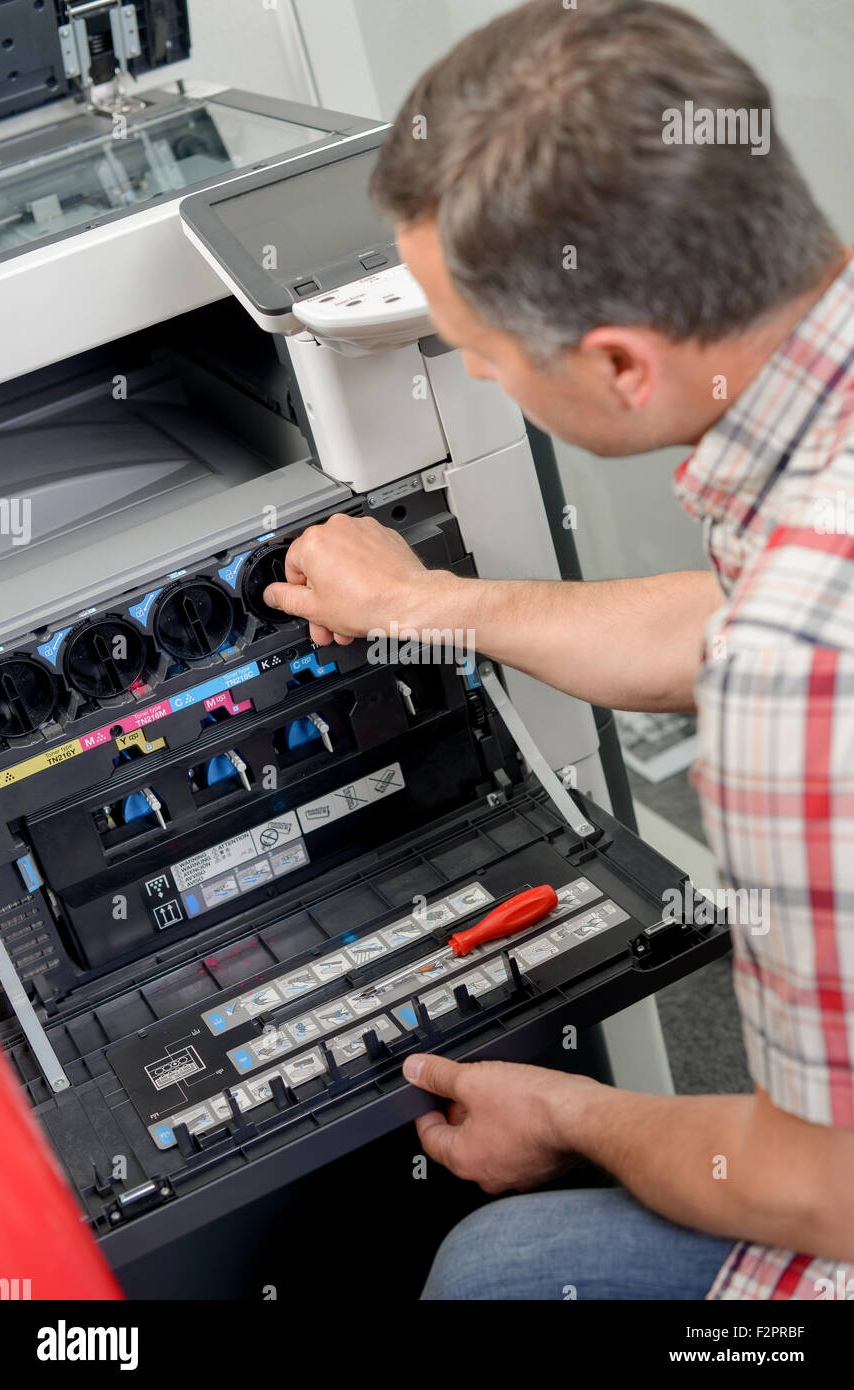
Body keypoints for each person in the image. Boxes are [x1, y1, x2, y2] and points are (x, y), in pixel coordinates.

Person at [264, 0, 854, 1300]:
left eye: (478, 353)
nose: (477, 378)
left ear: (621, 366)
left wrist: (568, 1115)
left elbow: (821, 1185)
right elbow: (741, 619)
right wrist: (439, 604)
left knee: (492, 1274)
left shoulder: (797, 669)